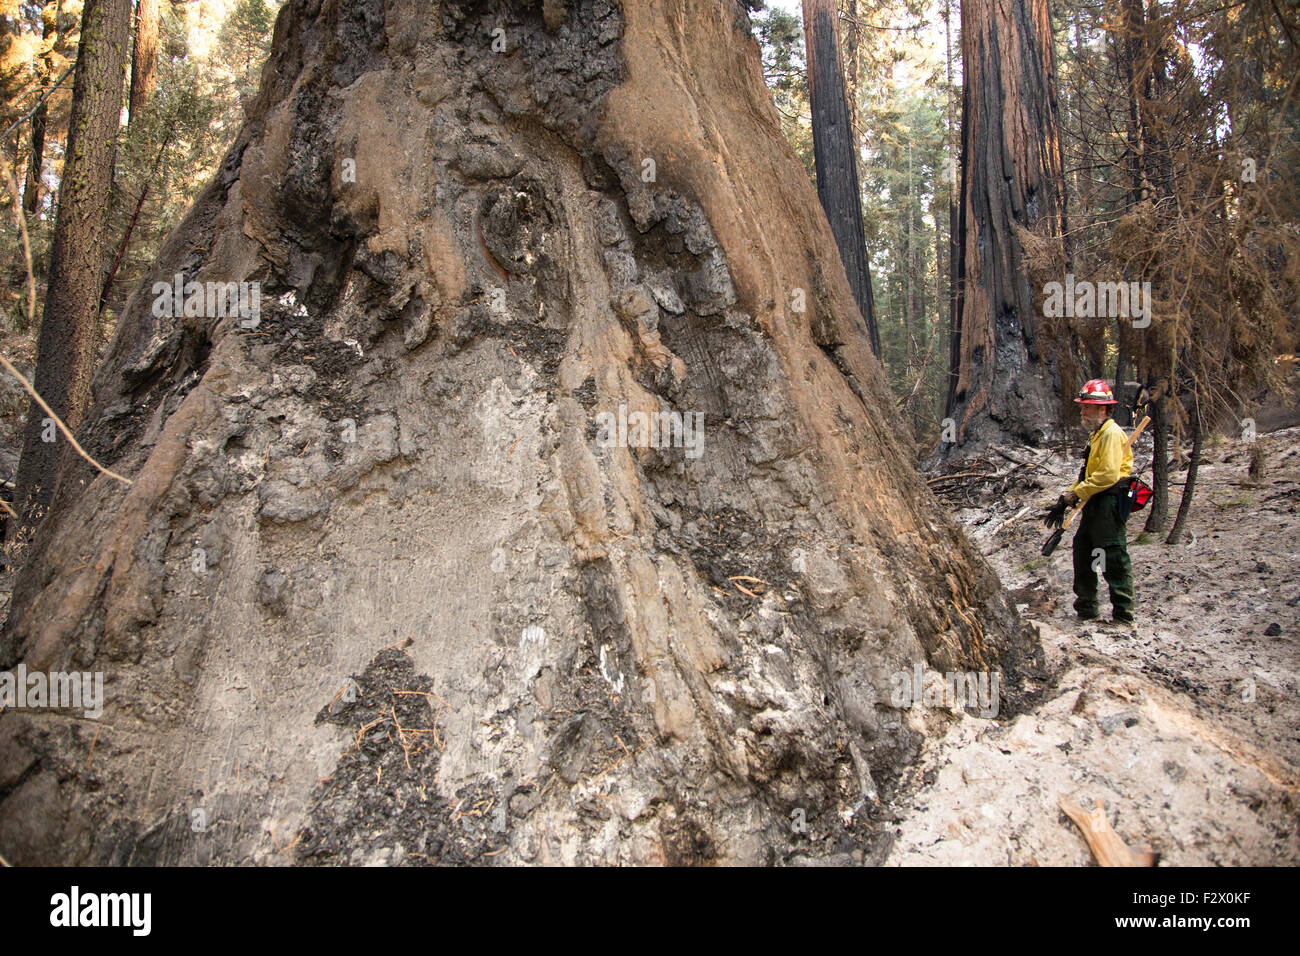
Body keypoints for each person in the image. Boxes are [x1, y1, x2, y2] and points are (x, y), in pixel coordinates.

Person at [1064, 380, 1135, 626]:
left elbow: (1107, 475)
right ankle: (1087, 608)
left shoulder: (1113, 434)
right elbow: (1089, 471)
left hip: (1109, 501)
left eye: (1088, 408)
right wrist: (1070, 493)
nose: (1083, 412)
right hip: (1094, 500)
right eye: (1083, 407)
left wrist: (1079, 492)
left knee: (1112, 555)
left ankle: (1123, 615)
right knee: (1084, 550)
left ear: (1103, 409)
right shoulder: (1097, 435)